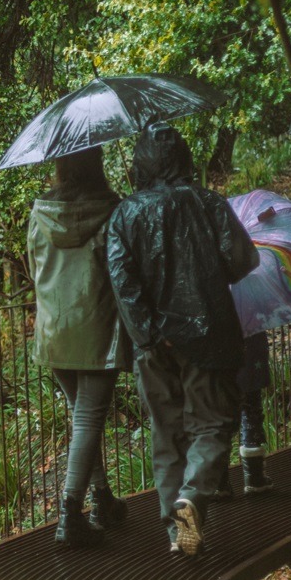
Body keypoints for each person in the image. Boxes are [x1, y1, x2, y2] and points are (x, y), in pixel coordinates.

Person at [107, 123, 258, 556]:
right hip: (209, 335)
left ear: (140, 164)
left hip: (153, 345)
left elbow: (122, 281)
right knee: (212, 424)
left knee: (167, 432)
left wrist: (150, 334)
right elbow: (243, 260)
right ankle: (191, 497)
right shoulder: (208, 203)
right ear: (185, 158)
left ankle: (176, 532)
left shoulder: (124, 215)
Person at [27, 146, 133, 548]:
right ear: (97, 164)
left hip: (54, 331)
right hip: (97, 329)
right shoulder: (113, 211)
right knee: (88, 419)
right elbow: (121, 271)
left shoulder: (40, 213)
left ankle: (102, 499)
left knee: (82, 418)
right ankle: (70, 516)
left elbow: (34, 269)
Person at [214, 331, 275, 499]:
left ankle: (218, 483)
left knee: (218, 415)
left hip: (217, 356)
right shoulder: (251, 313)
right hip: (251, 355)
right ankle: (255, 478)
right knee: (251, 411)